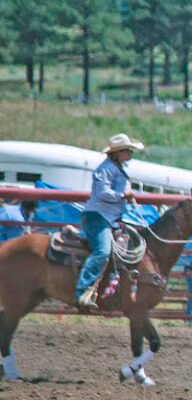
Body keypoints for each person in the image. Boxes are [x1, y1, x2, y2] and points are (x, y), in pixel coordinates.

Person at [73, 133, 143, 311]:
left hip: (108, 217)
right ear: (118, 153)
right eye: (128, 150)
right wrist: (122, 195)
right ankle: (81, 291)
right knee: (102, 251)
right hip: (98, 217)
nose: (130, 154)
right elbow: (101, 193)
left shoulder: (115, 168)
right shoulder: (105, 169)